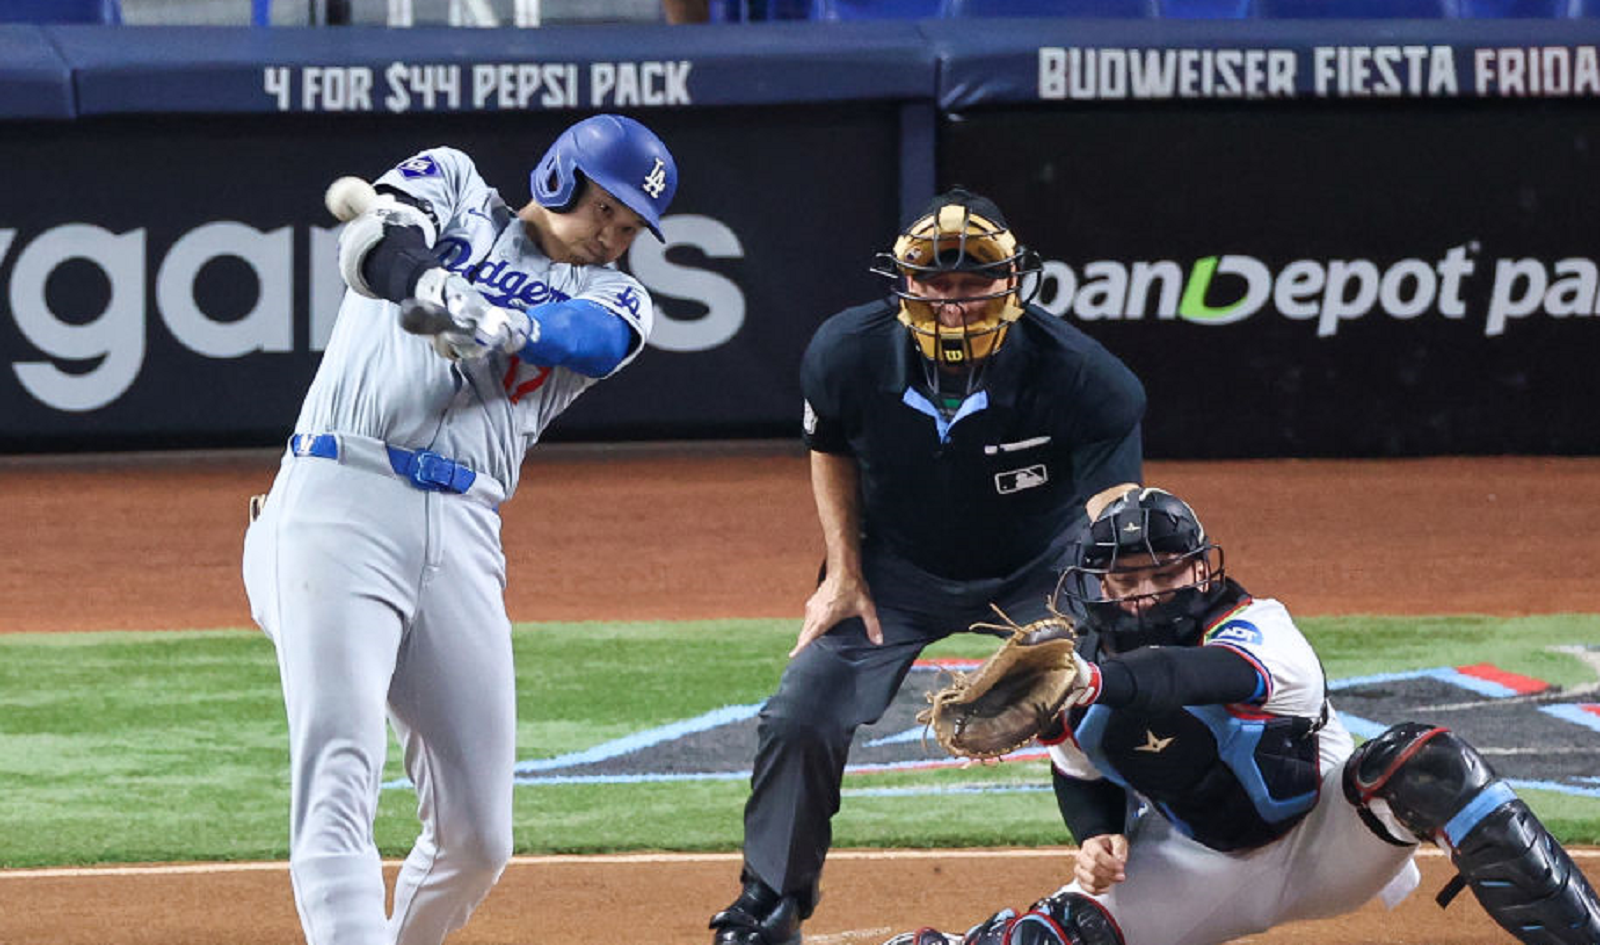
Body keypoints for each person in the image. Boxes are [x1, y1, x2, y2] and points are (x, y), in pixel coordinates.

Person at [241, 113, 676, 945]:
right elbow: (371, 244)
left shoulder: (614, 295)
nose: (610, 236)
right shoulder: (457, 184)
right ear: (561, 176)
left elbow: (590, 338)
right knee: (341, 760)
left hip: (465, 531)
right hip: (342, 495)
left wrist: (508, 325)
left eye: (628, 226)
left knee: (479, 835)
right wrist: (424, 283)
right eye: (605, 209)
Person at [709, 188, 1147, 945]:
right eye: (936, 283)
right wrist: (842, 574)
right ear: (905, 283)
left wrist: (1107, 615)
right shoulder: (845, 352)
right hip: (895, 566)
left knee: (1116, 684)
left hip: (1039, 566)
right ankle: (771, 898)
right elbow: (831, 452)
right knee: (803, 707)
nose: (954, 302)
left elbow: (1116, 506)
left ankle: (1138, 862)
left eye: (974, 282)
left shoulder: (1083, 373)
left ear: (1012, 281)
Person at [885, 487, 1600, 945]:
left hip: (1329, 839)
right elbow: (1080, 771)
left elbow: (1195, 674)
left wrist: (1099, 679)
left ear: (1200, 569)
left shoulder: (1257, 625)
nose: (1146, 594)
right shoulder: (1079, 676)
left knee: (1426, 761)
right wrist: (1098, 830)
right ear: (1097, 586)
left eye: (1165, 572)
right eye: (1126, 579)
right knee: (1049, 936)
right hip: (1201, 865)